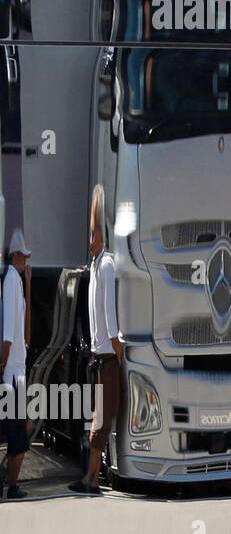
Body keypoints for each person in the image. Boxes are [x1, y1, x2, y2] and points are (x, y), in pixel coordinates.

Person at [71, 185, 122, 495]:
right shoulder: (99, 265)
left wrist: (115, 350)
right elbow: (109, 321)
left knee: (100, 419)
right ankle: (91, 478)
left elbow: (107, 318)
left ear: (102, 234)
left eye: (92, 234)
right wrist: (120, 353)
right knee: (101, 421)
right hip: (104, 357)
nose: (89, 241)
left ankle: (92, 476)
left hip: (102, 356)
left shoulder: (103, 265)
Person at [1, 229, 33, 500]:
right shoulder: (12, 281)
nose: (26, 260)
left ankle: (10, 484)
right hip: (13, 373)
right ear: (17, 255)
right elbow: (9, 334)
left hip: (15, 370)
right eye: (23, 254)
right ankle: (11, 485)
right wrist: (3, 366)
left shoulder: (17, 281)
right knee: (18, 436)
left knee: (17, 432)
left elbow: (23, 333)